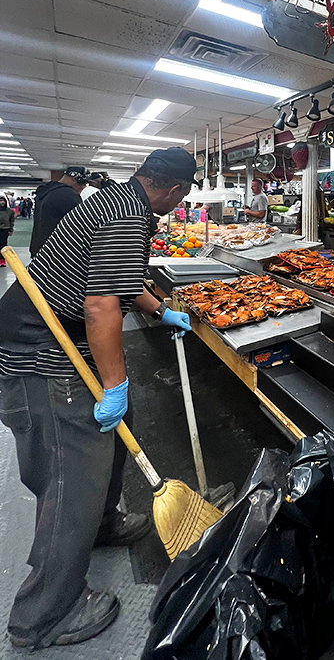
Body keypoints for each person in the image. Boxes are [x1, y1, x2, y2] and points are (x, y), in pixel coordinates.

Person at [0, 147, 196, 649]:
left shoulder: (118, 201)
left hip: (51, 336)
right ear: (175, 190)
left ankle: (103, 524)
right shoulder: (129, 215)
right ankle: (43, 615)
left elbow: (120, 281)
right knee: (72, 473)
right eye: (183, 197)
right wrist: (114, 384)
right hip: (41, 351)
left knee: (114, 431)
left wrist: (160, 311)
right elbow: (101, 304)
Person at [30, 167, 91, 257]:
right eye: (83, 185)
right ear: (74, 179)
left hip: (40, 247)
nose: (82, 189)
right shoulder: (68, 194)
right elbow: (80, 224)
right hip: (58, 251)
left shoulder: (46, 191)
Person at [0, 195, 16, 266]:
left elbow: (12, 221)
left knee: (3, 245)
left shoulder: (10, 211)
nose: (2, 202)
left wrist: (11, 230)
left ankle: (2, 260)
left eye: (3, 201)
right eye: (0, 201)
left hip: (5, 229)